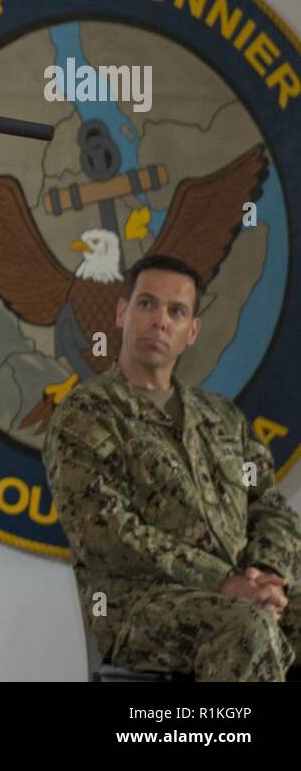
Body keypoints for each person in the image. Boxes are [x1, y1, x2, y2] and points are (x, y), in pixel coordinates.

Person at [44, 253, 301, 681]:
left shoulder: (222, 418)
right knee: (247, 628)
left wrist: (268, 577)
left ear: (192, 331)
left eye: (176, 311)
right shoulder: (86, 414)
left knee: (258, 616)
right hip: (137, 607)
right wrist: (223, 581)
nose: (160, 320)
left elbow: (268, 505)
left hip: (238, 593)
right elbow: (105, 533)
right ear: (123, 312)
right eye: (147, 304)